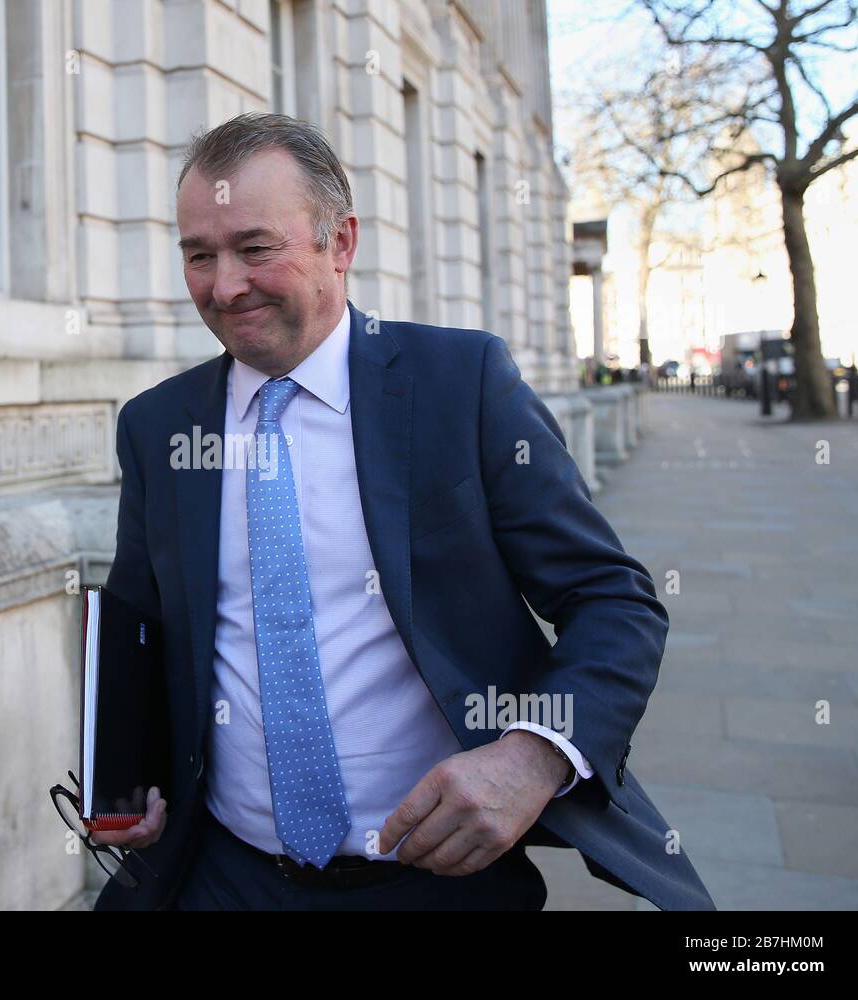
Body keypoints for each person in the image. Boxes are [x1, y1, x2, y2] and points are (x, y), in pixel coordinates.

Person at [91, 113, 713, 911]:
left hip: (437, 885)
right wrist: (128, 774)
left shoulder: (460, 383)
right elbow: (140, 623)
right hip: (221, 880)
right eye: (198, 256)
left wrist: (532, 757)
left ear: (340, 243)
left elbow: (614, 601)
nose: (223, 285)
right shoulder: (158, 425)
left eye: (254, 249)